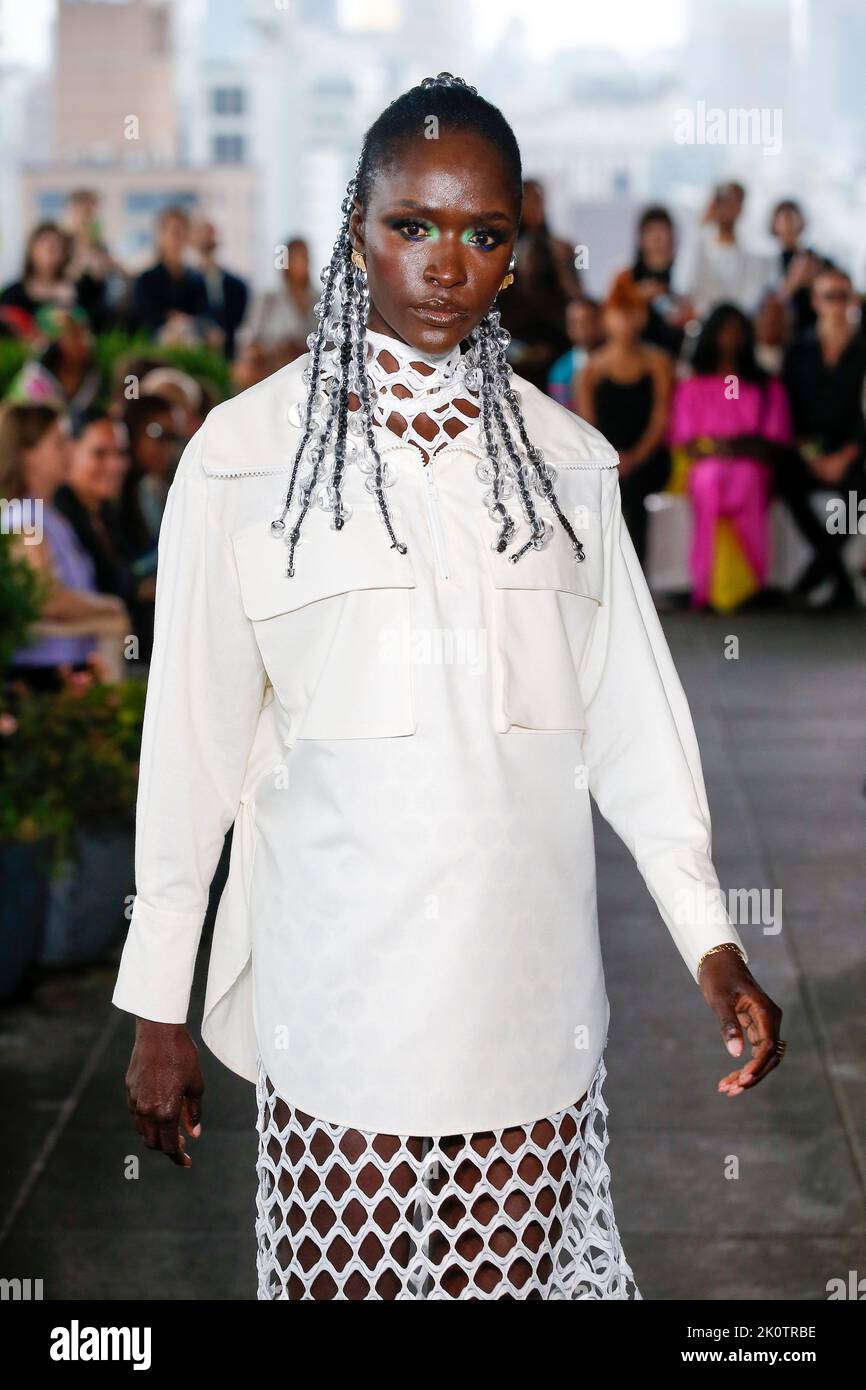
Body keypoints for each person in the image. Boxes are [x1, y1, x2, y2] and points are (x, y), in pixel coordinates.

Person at [111, 73, 784, 1303]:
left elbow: (635, 723)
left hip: (525, 990)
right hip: (338, 988)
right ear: (356, 230)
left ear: (513, 254)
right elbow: (192, 747)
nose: (444, 264)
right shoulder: (244, 458)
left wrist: (710, 941)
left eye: (481, 235)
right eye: (411, 225)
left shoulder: (569, 466)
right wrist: (160, 1003)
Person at [667, 304, 794, 612]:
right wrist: (714, 449)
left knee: (746, 480)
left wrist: (737, 448)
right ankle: (706, 589)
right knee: (710, 479)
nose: (731, 339)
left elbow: (776, 438)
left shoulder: (765, 384)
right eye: (725, 331)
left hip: (750, 465)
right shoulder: (693, 384)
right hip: (705, 467)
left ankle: (751, 586)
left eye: (738, 332)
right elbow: (684, 440)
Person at [0, 402, 129, 691]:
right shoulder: (24, 518)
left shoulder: (50, 514)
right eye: (59, 443)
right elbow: (46, 599)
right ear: (28, 454)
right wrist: (110, 606)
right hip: (44, 680)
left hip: (69, 672)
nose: (70, 449)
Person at [781, 263, 866, 608]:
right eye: (829, 296)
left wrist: (846, 454)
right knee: (786, 480)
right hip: (808, 450)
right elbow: (787, 409)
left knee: (858, 496)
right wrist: (811, 455)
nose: (836, 304)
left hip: (855, 451)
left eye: (842, 296)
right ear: (815, 301)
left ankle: (812, 578)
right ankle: (837, 576)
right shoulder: (798, 351)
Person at [576, 271, 673, 567]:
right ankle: (608, 573)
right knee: (612, 487)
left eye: (633, 313)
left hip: (649, 458)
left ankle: (637, 576)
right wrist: (614, 459)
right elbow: (589, 425)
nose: (626, 321)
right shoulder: (591, 370)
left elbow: (660, 418)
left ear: (643, 317)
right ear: (607, 316)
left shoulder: (658, 363)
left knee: (635, 487)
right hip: (607, 457)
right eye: (620, 313)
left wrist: (636, 457)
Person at [53, 407, 150, 618]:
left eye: (121, 454)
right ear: (70, 451)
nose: (115, 466)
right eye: (100, 453)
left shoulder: (107, 512)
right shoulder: (56, 515)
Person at [496, 177, 579, 391]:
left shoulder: (560, 248)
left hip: (553, 343)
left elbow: (574, 298)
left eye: (538, 201)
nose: (534, 207)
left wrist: (562, 265)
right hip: (511, 342)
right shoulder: (499, 249)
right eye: (527, 200)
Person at [130, 206, 220, 347]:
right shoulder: (146, 279)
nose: (179, 238)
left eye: (183, 232)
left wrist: (188, 321)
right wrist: (171, 319)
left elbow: (207, 313)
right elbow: (143, 317)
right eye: (174, 232)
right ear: (161, 235)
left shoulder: (197, 278)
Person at [686, 182, 772, 323]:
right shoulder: (699, 248)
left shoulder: (754, 257)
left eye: (734, 202)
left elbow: (750, 301)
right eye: (723, 201)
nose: (728, 208)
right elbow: (686, 284)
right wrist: (703, 222)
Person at [5, 305, 101, 416]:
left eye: (86, 333)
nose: (87, 342)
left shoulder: (92, 377)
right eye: (75, 335)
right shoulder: (34, 379)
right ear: (55, 342)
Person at [240, 236, 317, 370]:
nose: (305, 262)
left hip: (308, 369)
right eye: (298, 258)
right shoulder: (270, 298)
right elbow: (250, 336)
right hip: (273, 368)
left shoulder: (319, 298)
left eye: (306, 257)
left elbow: (330, 340)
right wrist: (274, 349)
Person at [629, 205, 691, 358]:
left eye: (662, 230)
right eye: (650, 230)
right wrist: (636, 297)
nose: (657, 237)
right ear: (641, 237)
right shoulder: (627, 277)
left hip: (678, 353)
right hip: (637, 355)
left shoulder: (685, 274)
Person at [190, 218, 249, 361]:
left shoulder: (235, 284)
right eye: (201, 233)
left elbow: (240, 318)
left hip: (228, 351)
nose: (205, 238)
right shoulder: (185, 280)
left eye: (209, 234)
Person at [0, 223, 78, 327]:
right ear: (31, 250)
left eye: (57, 244)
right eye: (43, 242)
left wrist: (67, 304)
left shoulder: (76, 290)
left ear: (65, 253)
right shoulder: (13, 293)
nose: (49, 248)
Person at [769, 199, 819, 338]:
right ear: (774, 225)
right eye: (783, 218)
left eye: (792, 217)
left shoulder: (816, 259)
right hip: (785, 334)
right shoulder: (768, 264)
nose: (788, 223)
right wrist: (794, 281)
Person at [546, 296, 602, 407]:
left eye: (589, 320)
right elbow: (562, 413)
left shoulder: (618, 360)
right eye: (574, 322)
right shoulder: (560, 370)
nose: (582, 328)